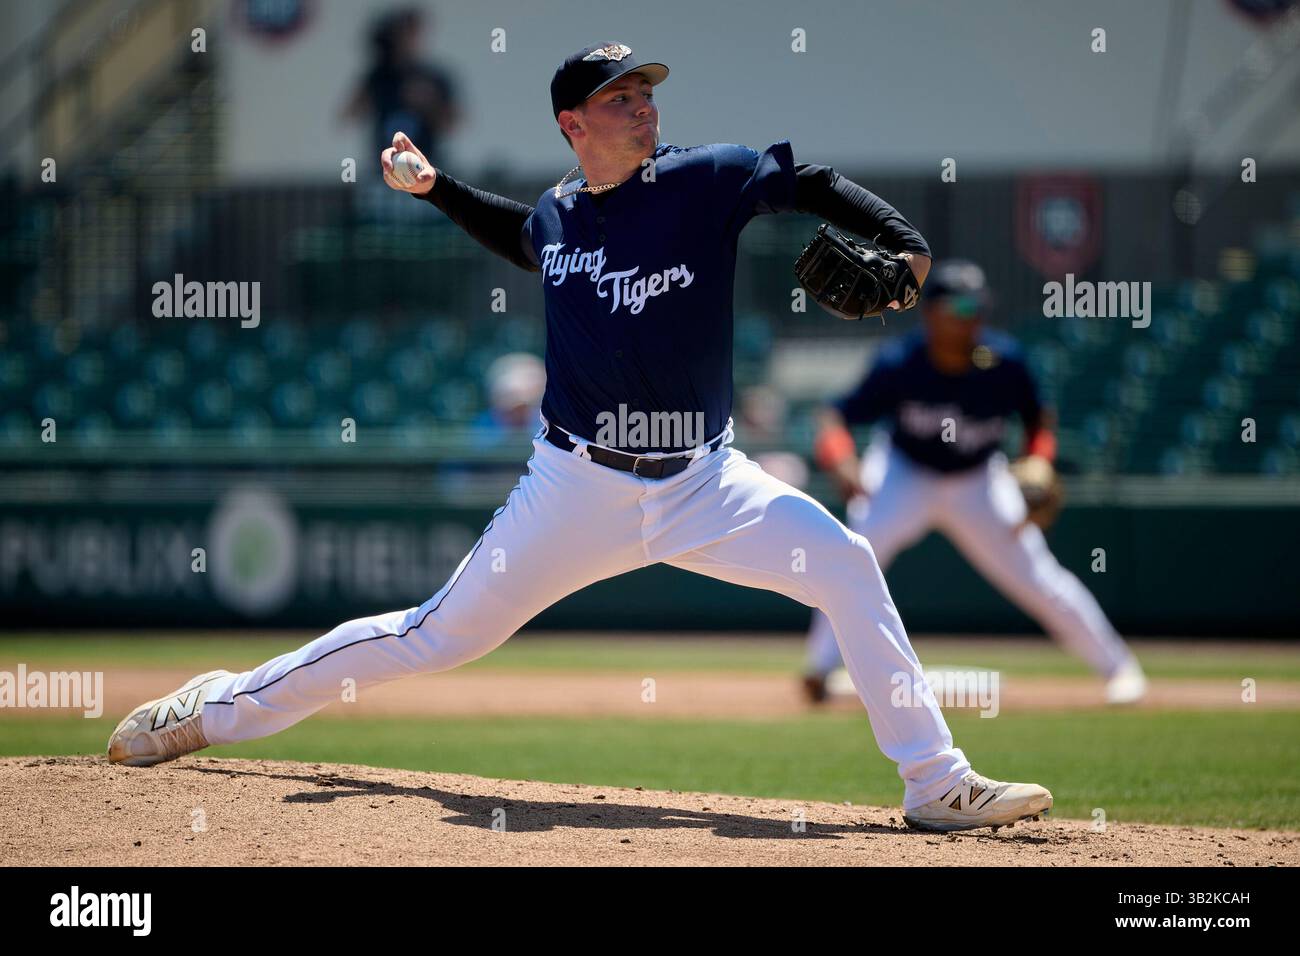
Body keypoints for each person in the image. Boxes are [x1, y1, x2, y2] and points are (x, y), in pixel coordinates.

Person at [108, 43, 1052, 833]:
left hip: (705, 483)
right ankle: (216, 708)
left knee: (847, 562)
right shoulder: (560, 215)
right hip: (574, 488)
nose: (644, 110)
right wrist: (436, 189)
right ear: (574, 123)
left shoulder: (703, 179)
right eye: (622, 98)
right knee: (429, 639)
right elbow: (522, 235)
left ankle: (935, 781)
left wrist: (912, 251)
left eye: (647, 96)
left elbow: (812, 182)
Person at [802, 260, 1147, 705]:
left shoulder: (1002, 361)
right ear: (931, 313)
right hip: (904, 473)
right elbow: (834, 418)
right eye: (959, 306)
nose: (971, 316)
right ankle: (818, 668)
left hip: (978, 479)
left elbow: (1038, 418)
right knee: (853, 551)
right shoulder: (900, 363)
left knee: (1037, 575)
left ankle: (1119, 668)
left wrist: (1040, 461)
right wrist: (843, 459)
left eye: (977, 305)